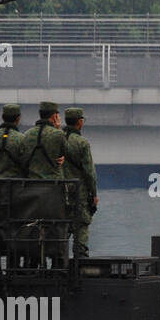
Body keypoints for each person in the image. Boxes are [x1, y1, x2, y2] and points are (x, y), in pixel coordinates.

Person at [62, 107, 99, 258]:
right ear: (80, 122)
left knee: (61, 229)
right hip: (79, 192)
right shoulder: (82, 143)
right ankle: (80, 263)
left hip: (59, 191)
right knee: (82, 226)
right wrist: (94, 194)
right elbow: (89, 172)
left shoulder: (57, 138)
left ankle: (59, 263)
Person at [20, 101, 67, 179]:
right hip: (53, 184)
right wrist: (58, 128)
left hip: (31, 183)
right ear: (54, 116)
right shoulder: (58, 134)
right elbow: (66, 152)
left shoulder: (27, 134)